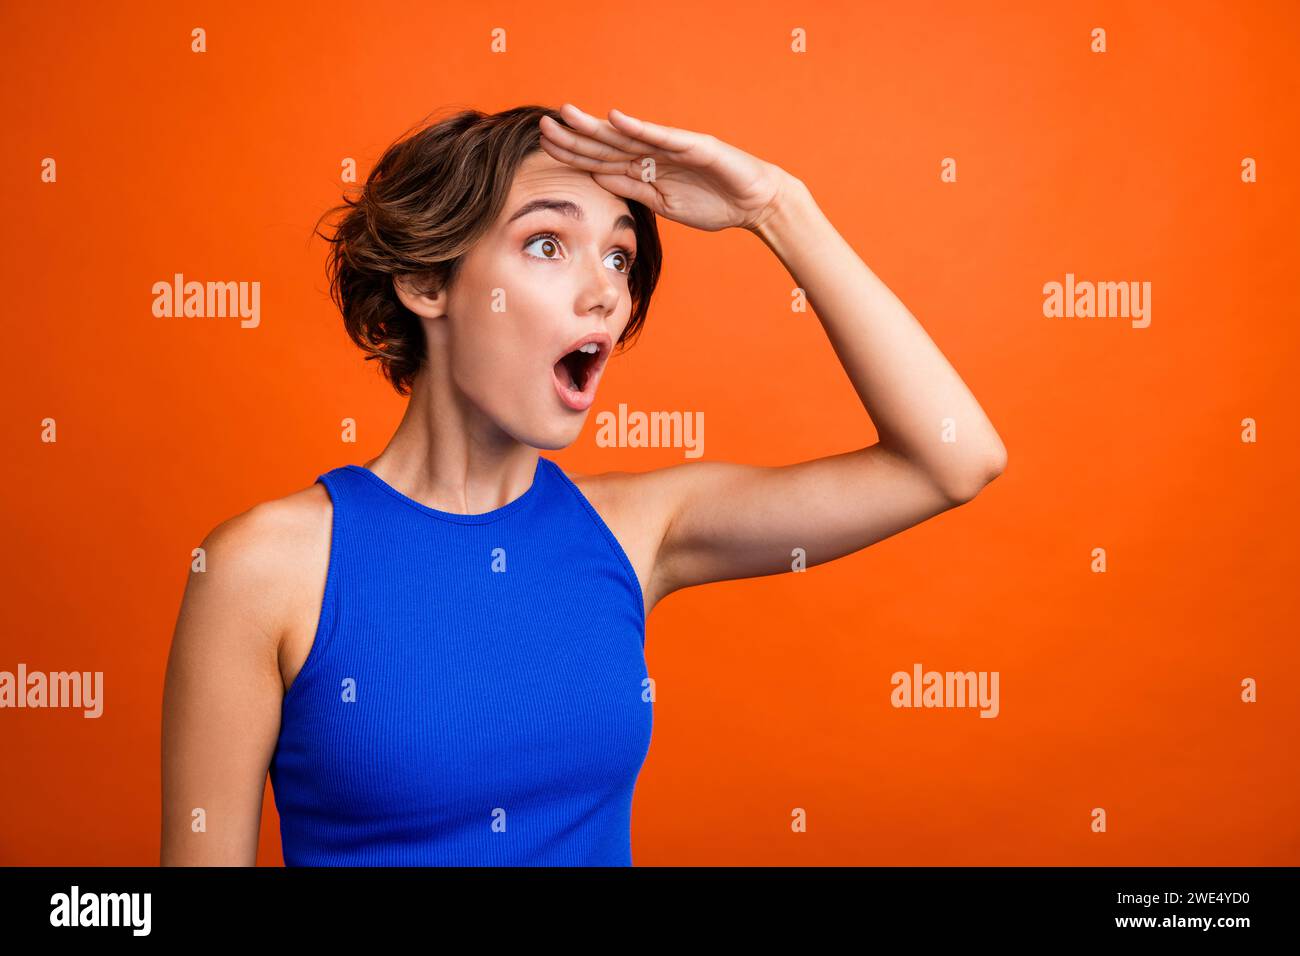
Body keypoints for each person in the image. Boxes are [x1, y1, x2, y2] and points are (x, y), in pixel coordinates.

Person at [160, 103, 1007, 866]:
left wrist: (777, 209)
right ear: (426, 282)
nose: (605, 291)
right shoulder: (264, 568)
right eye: (546, 244)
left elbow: (951, 460)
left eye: (619, 256)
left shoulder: (636, 532)